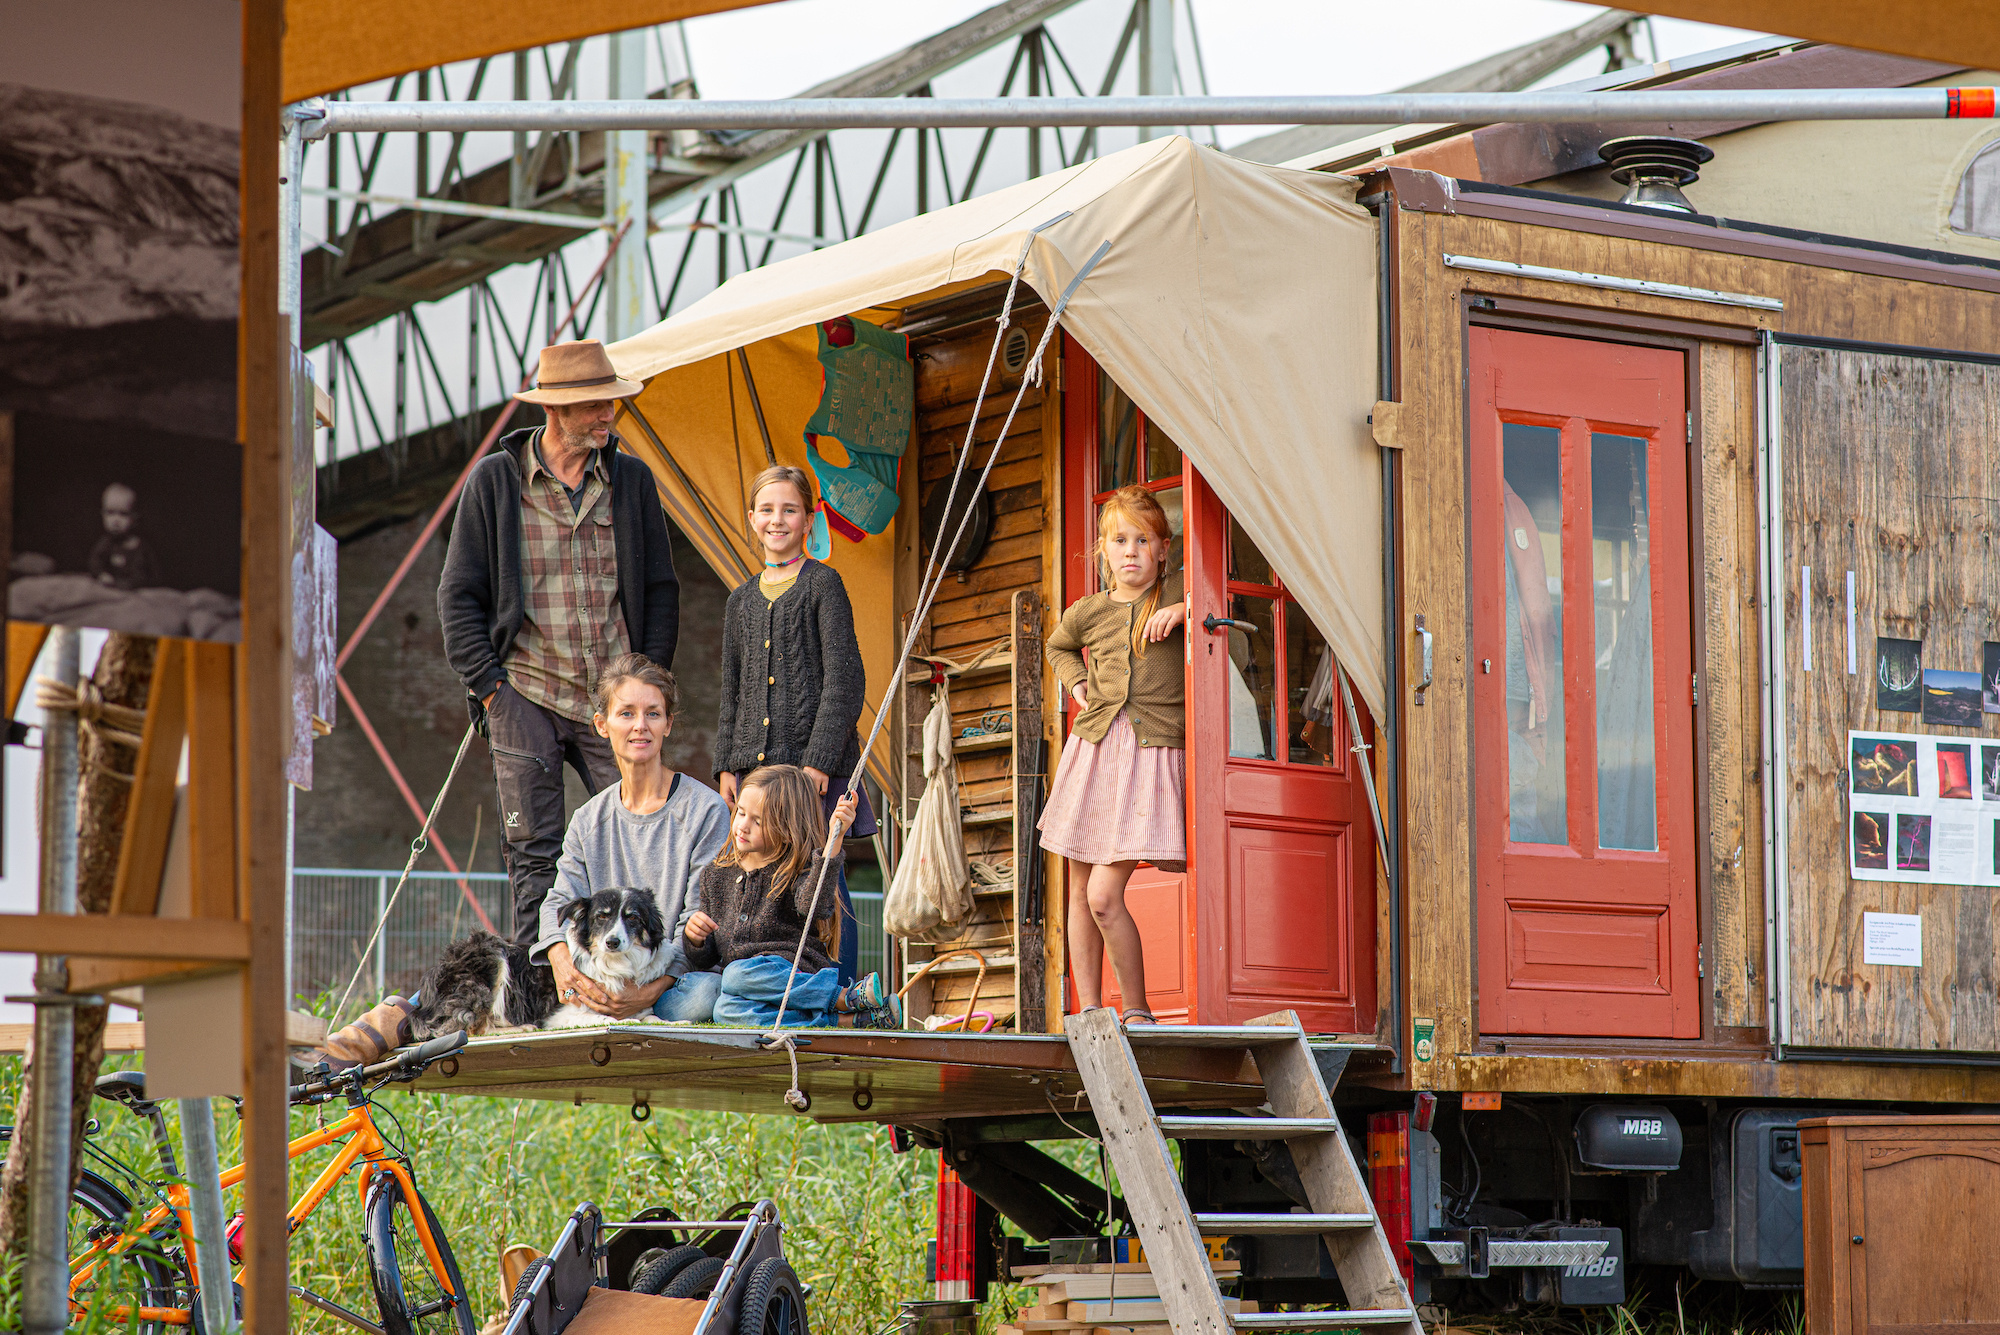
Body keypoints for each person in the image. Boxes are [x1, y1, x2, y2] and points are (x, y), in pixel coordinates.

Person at [439, 339, 682, 944]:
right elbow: (457, 596)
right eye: (595, 405)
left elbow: (662, 588)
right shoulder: (494, 482)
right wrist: (492, 691)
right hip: (524, 695)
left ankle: (635, 982)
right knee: (533, 857)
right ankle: (539, 982)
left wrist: (646, 684)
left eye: (610, 403)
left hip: (614, 701)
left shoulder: (632, 481)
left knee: (636, 841)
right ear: (554, 409)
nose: (608, 415)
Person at [714, 465, 878, 982]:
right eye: (767, 509)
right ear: (752, 518)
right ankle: (779, 990)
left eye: (789, 509)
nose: (777, 519)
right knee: (766, 884)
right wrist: (726, 764)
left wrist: (819, 762)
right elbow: (732, 689)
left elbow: (846, 679)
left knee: (825, 880)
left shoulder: (824, 585)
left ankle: (844, 994)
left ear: (809, 519)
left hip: (812, 772)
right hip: (754, 775)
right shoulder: (739, 601)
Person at [1038, 484, 1188, 1025]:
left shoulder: (1178, 593)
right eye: (1119, 540)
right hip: (1094, 752)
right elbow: (1057, 645)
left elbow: (1226, 604)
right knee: (1080, 890)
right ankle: (1091, 1013)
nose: (1131, 551)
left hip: (1148, 752)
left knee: (1104, 895)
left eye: (1143, 540)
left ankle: (1139, 1009)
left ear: (1163, 549)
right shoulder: (1090, 611)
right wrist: (1077, 683)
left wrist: (1185, 609)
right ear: (1103, 550)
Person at [536, 653, 730, 1022]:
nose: (640, 726)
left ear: (668, 724)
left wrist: (647, 993)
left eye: (653, 714)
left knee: (707, 993)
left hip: (672, 983)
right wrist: (560, 958)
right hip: (605, 979)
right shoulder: (588, 819)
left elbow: (699, 917)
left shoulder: (706, 809)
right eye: (626, 713)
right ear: (602, 724)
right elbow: (557, 902)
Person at [683, 765, 899, 1028]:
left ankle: (843, 997)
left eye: (757, 821)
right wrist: (696, 940)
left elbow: (815, 906)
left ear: (786, 830)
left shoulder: (795, 869)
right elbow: (708, 958)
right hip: (747, 988)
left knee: (735, 975)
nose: (743, 826)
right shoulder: (716, 874)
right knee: (725, 1011)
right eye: (741, 812)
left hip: (790, 971)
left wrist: (834, 841)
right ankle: (844, 1021)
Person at [89, 482, 157, 590]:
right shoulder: (105, 544)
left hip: (134, 592)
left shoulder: (141, 548)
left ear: (134, 518)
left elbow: (147, 577)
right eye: (110, 513)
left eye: (123, 514)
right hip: (110, 590)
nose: (116, 521)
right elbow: (95, 563)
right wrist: (102, 575)